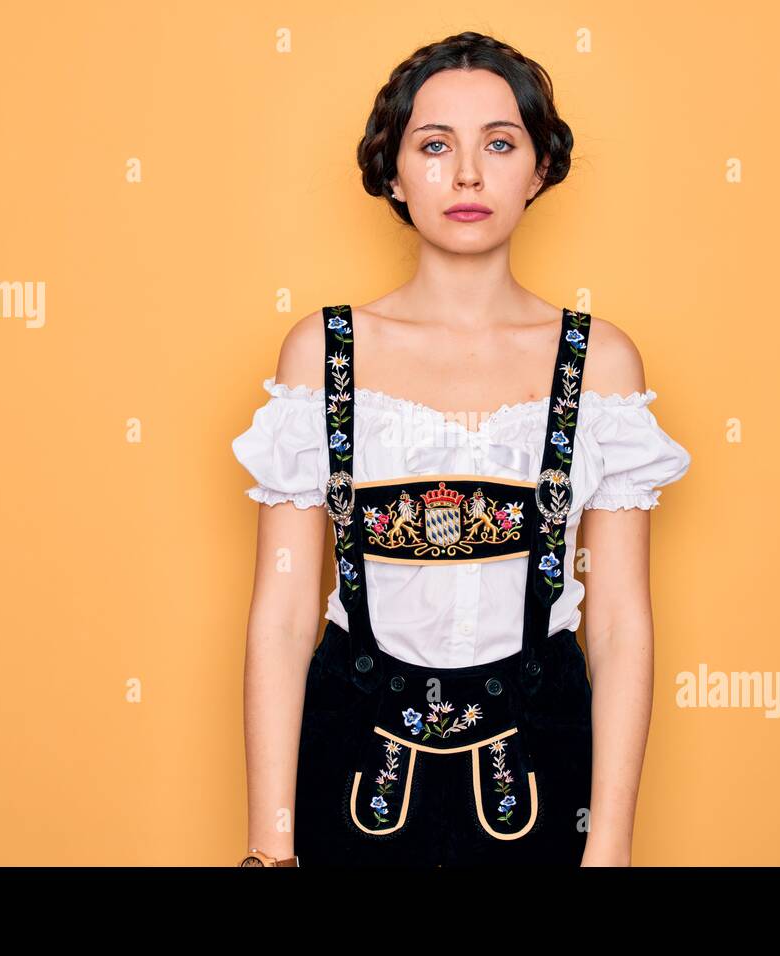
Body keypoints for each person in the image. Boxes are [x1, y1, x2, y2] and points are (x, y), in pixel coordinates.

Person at [231, 31, 690, 867]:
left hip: (544, 772)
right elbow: (286, 614)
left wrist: (611, 848)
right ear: (394, 173)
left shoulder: (600, 364)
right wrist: (271, 846)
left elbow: (620, 624)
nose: (468, 174)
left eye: (501, 143)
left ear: (539, 169)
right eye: (435, 145)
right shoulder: (323, 354)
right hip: (349, 765)